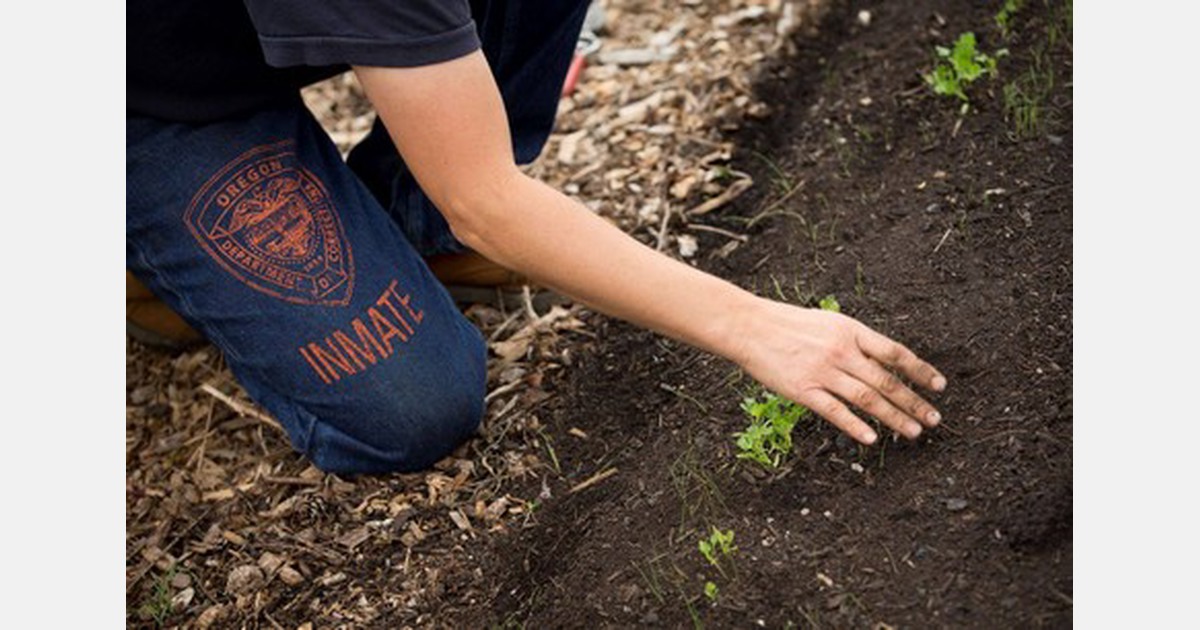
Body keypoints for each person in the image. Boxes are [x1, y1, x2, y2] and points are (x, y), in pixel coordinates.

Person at [127, 0, 947, 475]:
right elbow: (488, 201)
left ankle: (412, 220)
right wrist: (753, 324)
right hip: (150, 94)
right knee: (413, 407)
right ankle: (150, 264)